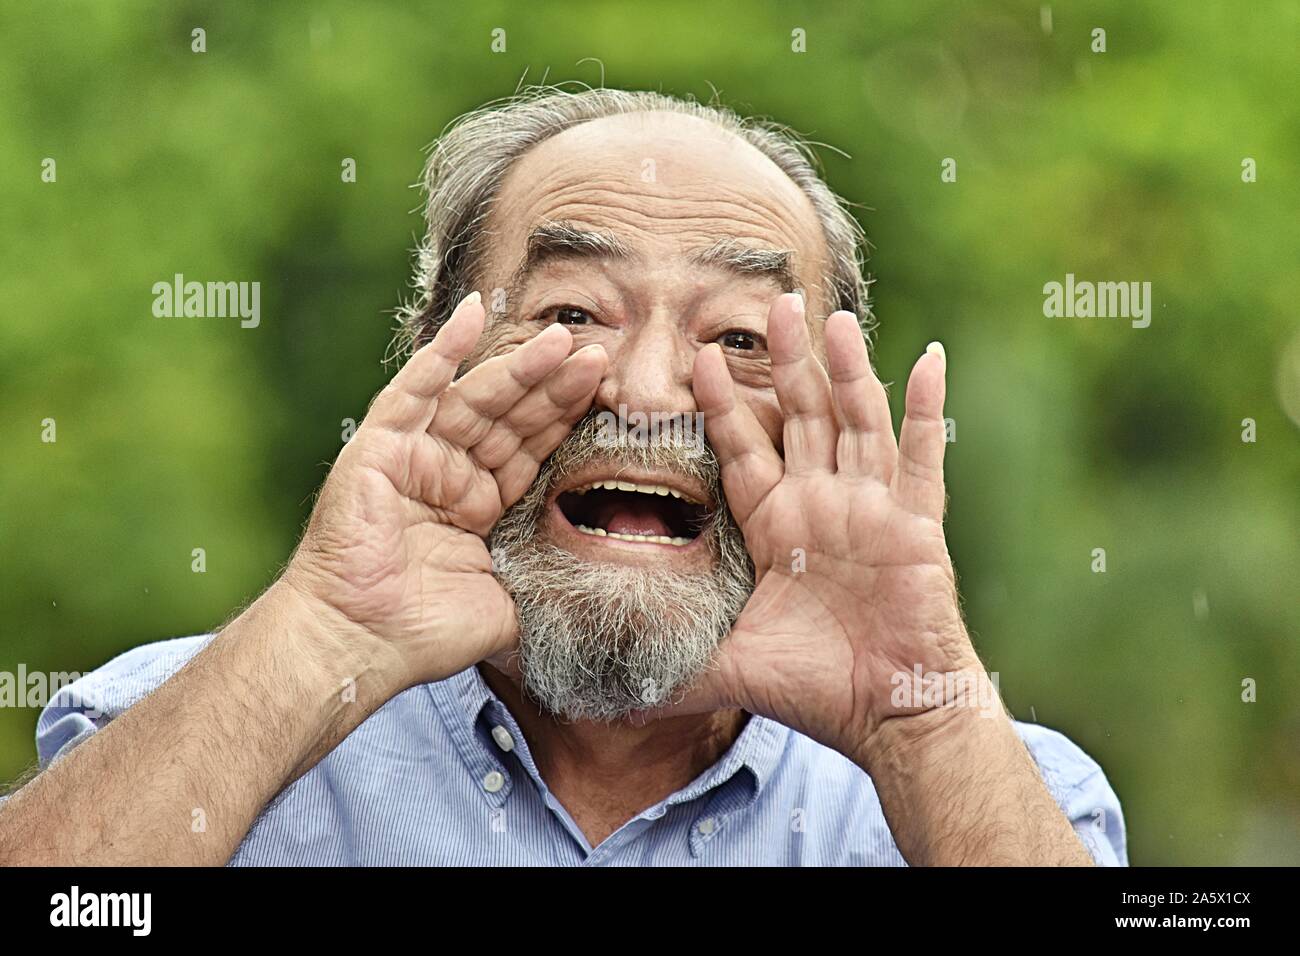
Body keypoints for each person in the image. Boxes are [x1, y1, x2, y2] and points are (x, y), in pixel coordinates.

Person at [0, 87, 1126, 866]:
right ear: (434, 359)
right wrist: (324, 633)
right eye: (572, 311)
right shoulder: (190, 723)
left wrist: (916, 724)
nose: (645, 388)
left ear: (827, 409)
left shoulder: (992, 786)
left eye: (738, 336)